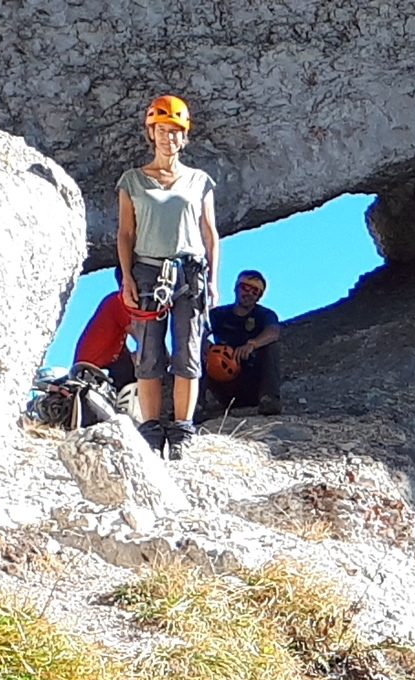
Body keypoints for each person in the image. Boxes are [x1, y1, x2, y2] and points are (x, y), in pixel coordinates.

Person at [117, 93, 219, 459]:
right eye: (162, 130)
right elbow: (126, 233)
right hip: (148, 273)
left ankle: (181, 429)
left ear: (184, 136)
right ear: (151, 133)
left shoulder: (199, 181)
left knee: (188, 352)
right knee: (149, 354)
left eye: (175, 132)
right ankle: (150, 428)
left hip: (189, 272)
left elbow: (210, 233)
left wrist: (213, 280)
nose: (168, 138)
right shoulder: (132, 181)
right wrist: (127, 277)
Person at [200, 270, 282, 417]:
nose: (249, 293)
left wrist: (253, 344)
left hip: (252, 381)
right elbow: (198, 331)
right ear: (236, 288)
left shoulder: (265, 315)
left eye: (255, 291)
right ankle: (196, 404)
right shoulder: (218, 314)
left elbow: (273, 332)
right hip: (225, 379)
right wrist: (205, 344)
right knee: (197, 348)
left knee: (270, 346)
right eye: (245, 287)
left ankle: (269, 399)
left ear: (259, 296)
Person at [71, 272, 137, 391]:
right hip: (93, 373)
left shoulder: (116, 304)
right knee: (150, 372)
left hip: (99, 368)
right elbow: (147, 341)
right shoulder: (118, 301)